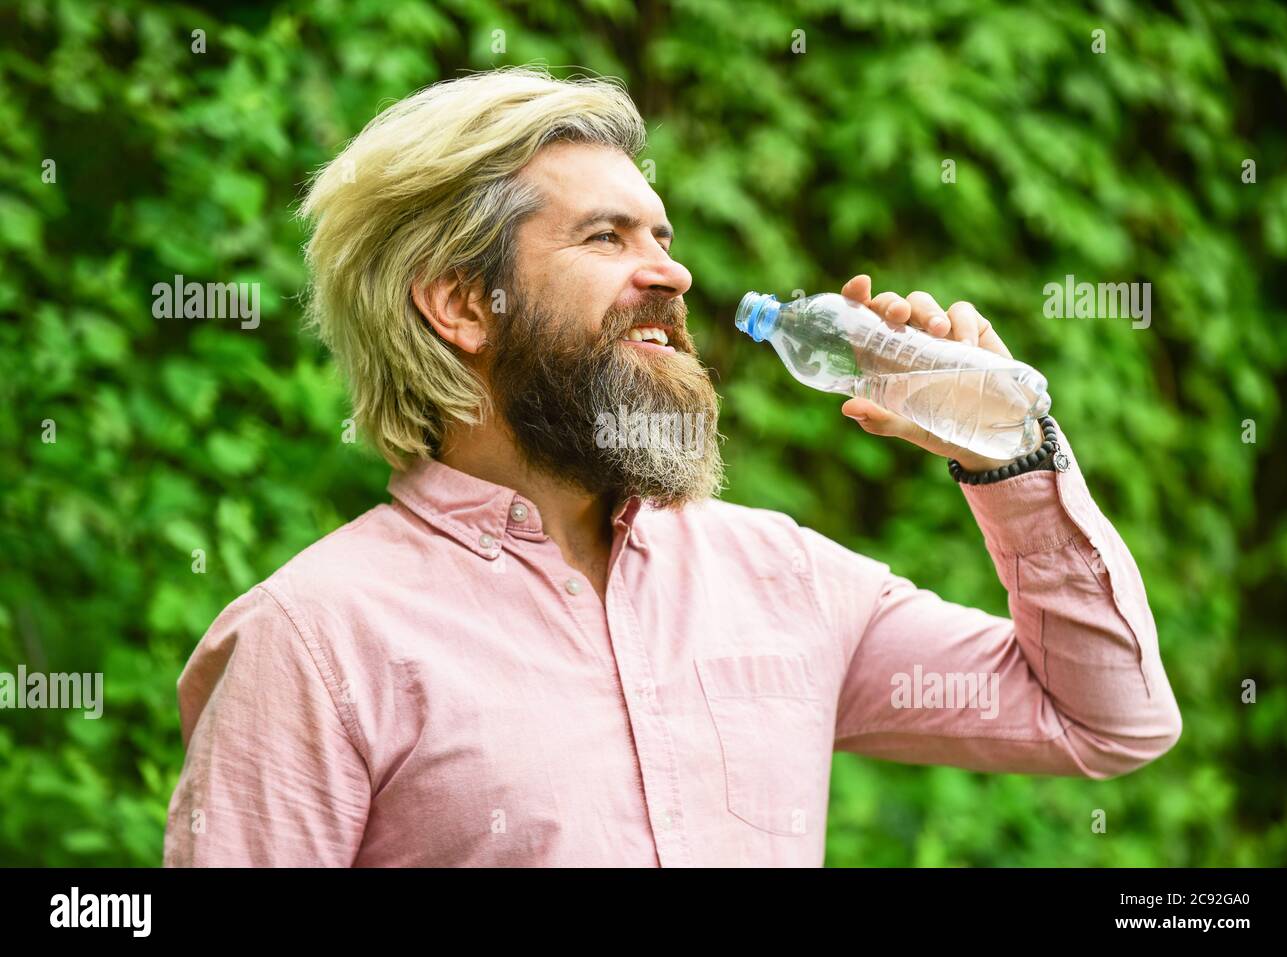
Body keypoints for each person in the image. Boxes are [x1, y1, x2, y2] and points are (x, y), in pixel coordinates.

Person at [163, 66, 1180, 867]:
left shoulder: (781, 579)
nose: (673, 272)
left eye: (664, 235)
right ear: (463, 306)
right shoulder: (312, 641)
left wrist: (1011, 460)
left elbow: (1102, 721)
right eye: (606, 238)